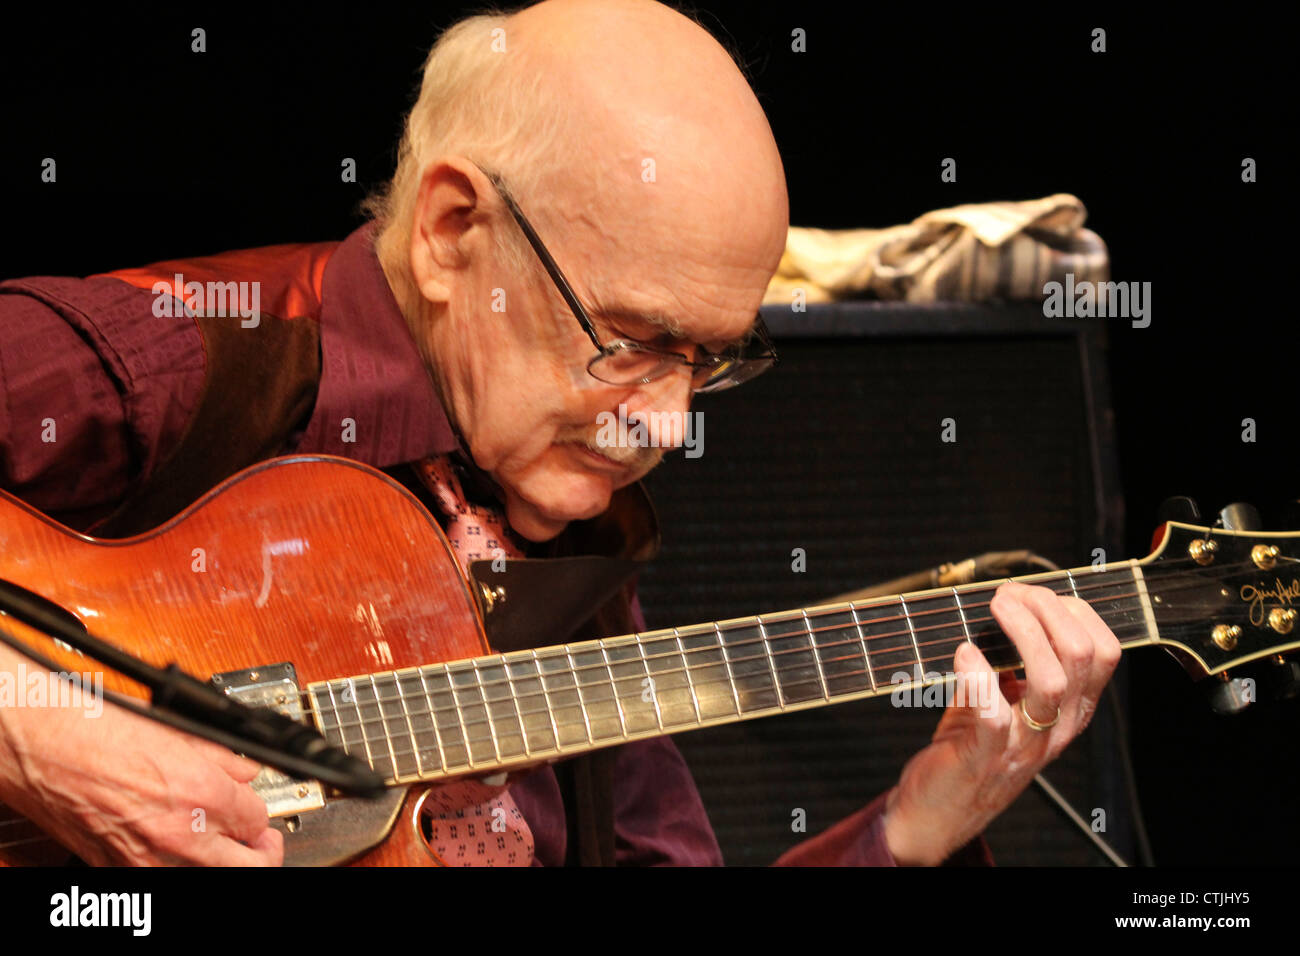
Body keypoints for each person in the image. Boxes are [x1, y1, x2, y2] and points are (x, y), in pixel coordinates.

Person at [0, 0, 1120, 866]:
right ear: (448, 233)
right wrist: (42, 739)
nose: (670, 422)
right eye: (629, 336)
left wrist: (913, 827)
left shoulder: (570, 544)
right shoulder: (172, 367)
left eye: (711, 357)